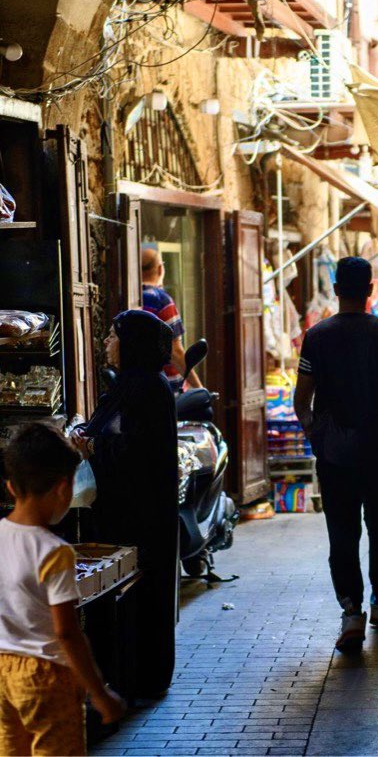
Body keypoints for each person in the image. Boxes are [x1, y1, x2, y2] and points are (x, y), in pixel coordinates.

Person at [294, 257, 378, 654]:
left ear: (336, 290)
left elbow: (301, 400)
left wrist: (317, 436)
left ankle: (351, 611)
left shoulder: (316, 336)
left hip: (335, 455)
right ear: (370, 290)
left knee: (342, 531)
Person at [0, 423, 125, 756]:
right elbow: (67, 633)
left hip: (3, 674)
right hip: (46, 678)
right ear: (64, 488)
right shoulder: (55, 553)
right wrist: (99, 693)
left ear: (11, 487)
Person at [75, 310, 178, 699]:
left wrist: (93, 447)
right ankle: (125, 675)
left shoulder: (147, 388)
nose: (106, 343)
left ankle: (139, 678)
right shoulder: (130, 386)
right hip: (126, 513)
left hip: (140, 516)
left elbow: (136, 452)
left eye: (114, 336)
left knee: (140, 598)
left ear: (132, 343)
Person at [141, 247, 202, 394]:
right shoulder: (161, 300)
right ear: (160, 269)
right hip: (166, 389)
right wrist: (200, 389)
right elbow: (175, 351)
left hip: (139, 387)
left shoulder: (131, 298)